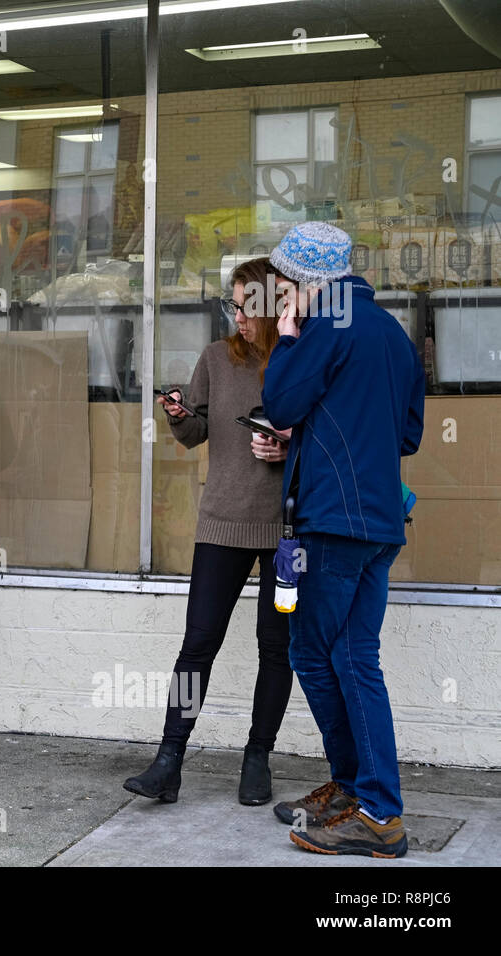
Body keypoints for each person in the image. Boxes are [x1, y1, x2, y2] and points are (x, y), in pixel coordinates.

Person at [261, 222, 425, 859]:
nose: (279, 298)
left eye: (284, 286)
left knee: (309, 652)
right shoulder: (391, 331)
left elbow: (279, 401)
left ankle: (374, 805)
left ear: (304, 282)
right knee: (356, 660)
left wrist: (291, 334)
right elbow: (406, 436)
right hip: (379, 525)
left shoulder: (324, 326)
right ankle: (368, 798)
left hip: (333, 523)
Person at [122, 258, 293, 806]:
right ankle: (168, 760)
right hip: (222, 520)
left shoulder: (301, 359)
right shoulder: (216, 359)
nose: (237, 316)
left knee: (277, 647)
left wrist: (288, 447)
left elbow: (326, 437)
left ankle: (256, 758)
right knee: (197, 644)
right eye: (232, 305)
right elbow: (195, 431)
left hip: (290, 530)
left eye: (246, 305)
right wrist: (177, 413)